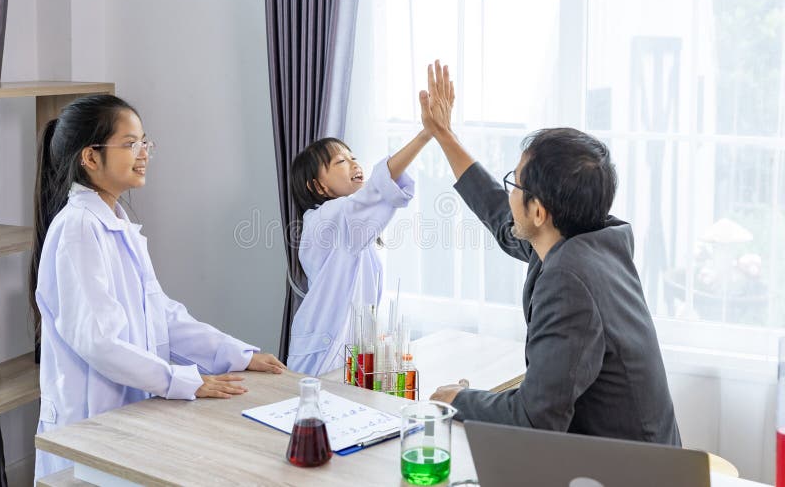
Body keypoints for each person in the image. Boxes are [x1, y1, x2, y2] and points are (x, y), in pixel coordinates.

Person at [420, 61, 681, 446]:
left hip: (628, 468)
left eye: (514, 183)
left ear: (539, 212)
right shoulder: (590, 239)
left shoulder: (569, 280)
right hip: (637, 454)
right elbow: (500, 215)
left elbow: (534, 418)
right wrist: (444, 135)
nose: (510, 194)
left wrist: (458, 399)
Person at [30, 95, 287, 480]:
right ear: (90, 157)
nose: (144, 153)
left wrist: (237, 354)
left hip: (127, 419)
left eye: (144, 142)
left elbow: (163, 317)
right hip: (89, 424)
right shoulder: (78, 230)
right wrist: (182, 381)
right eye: (130, 143)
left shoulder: (116, 225)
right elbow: (100, 342)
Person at [287, 129, 431, 376]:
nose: (354, 164)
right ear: (318, 186)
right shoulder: (324, 220)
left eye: (353, 157)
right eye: (341, 161)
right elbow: (379, 187)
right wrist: (425, 135)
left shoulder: (350, 226)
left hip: (350, 356)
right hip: (322, 357)